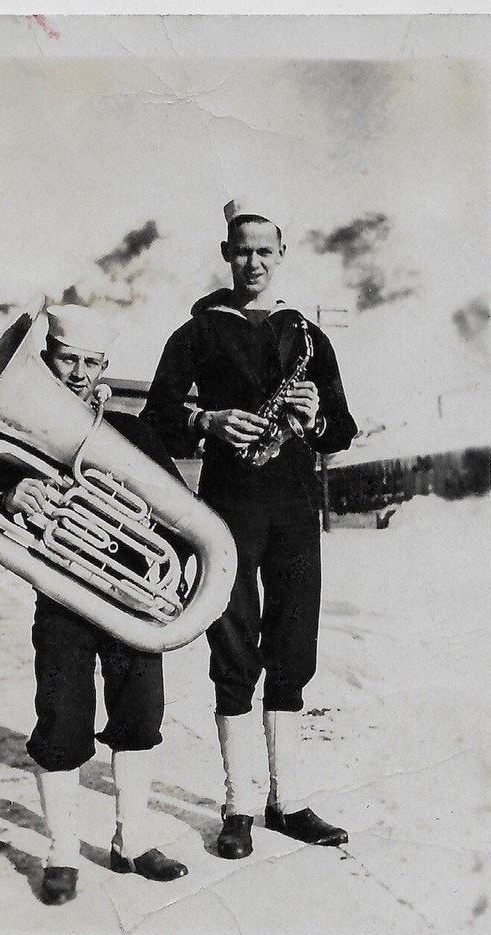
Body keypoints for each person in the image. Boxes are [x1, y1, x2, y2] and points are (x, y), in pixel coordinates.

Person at [140, 198, 358, 860]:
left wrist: (316, 417)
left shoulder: (310, 337)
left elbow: (343, 431)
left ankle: (285, 803)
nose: (254, 261)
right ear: (226, 255)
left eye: (266, 250)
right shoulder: (196, 332)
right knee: (234, 656)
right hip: (227, 511)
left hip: (294, 510)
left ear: (283, 255)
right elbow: (155, 420)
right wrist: (205, 422)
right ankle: (237, 807)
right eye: (242, 250)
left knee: (292, 653)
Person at [0, 304, 190, 905]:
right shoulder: (19, 434)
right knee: (62, 723)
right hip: (64, 599)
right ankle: (62, 851)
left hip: (129, 602)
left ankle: (132, 840)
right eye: (67, 358)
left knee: (139, 721)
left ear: (105, 369)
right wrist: (10, 488)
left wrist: (162, 577)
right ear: (47, 359)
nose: (78, 371)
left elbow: (179, 516)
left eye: (91, 362)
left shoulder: (138, 433)